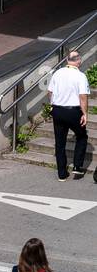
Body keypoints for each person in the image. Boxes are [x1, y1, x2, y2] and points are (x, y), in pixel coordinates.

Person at [46, 50, 89, 181]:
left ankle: (62, 174)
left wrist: (52, 104)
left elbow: (49, 92)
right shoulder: (80, 76)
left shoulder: (57, 73)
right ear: (79, 61)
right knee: (82, 136)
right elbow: (82, 97)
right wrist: (84, 113)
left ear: (67, 60)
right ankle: (77, 166)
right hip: (73, 111)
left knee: (60, 142)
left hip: (58, 111)